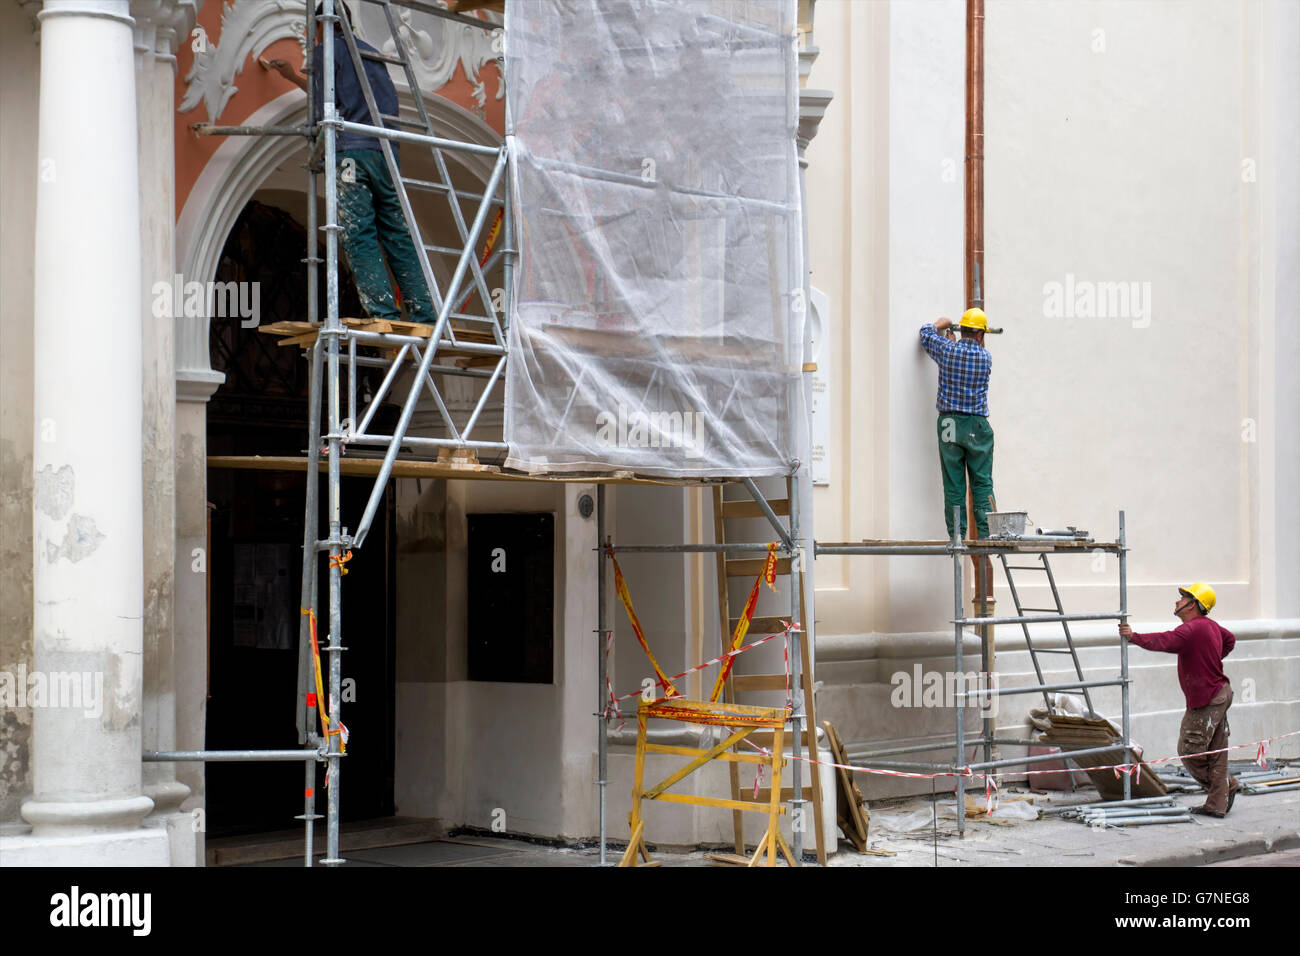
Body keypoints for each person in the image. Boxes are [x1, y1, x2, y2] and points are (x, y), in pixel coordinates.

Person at [264, 2, 436, 324]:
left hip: (351, 156)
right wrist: (295, 79)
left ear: (320, 25)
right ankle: (425, 314)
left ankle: (383, 312)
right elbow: (348, 99)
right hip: (386, 156)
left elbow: (321, 116)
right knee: (397, 234)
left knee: (359, 232)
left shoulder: (326, 54)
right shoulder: (370, 54)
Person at [1119, 583, 1239, 817]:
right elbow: (1230, 640)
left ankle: (1226, 787)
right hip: (1221, 692)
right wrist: (1209, 655)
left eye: (1182, 598)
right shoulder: (1210, 627)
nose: (1177, 601)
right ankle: (1217, 803)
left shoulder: (1191, 630)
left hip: (1207, 699)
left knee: (1189, 752)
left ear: (1194, 604)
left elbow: (1164, 640)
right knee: (1216, 752)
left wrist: (1133, 636)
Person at [919, 307, 1000, 543]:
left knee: (954, 482)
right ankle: (986, 533)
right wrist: (956, 344)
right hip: (976, 425)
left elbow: (925, 334)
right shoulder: (986, 358)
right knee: (982, 481)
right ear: (981, 335)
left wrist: (940, 324)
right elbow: (971, 355)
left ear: (962, 330)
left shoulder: (947, 350)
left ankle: (956, 534)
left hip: (949, 423)